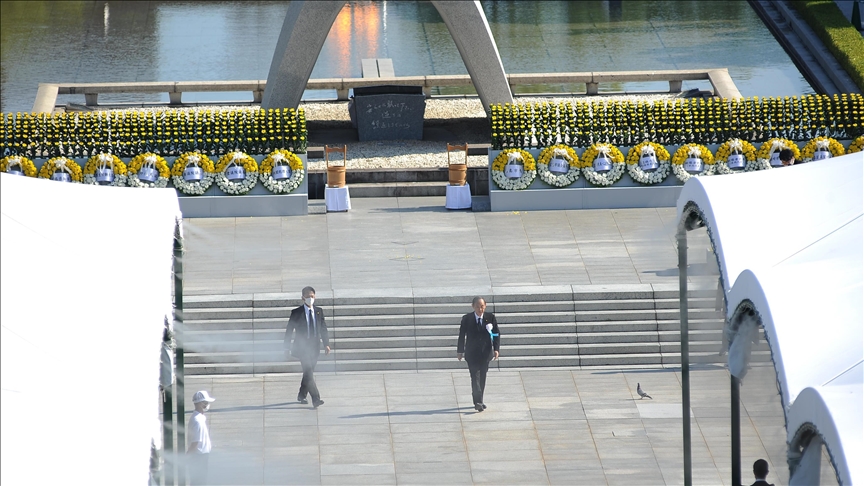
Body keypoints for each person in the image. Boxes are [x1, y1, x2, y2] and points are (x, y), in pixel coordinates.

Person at [284, 286, 330, 408]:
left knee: (308, 373)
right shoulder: (296, 312)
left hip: (314, 347)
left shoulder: (319, 311)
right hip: (302, 347)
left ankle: (301, 395)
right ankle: (316, 398)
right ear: (302, 298)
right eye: (308, 296)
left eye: (312, 296)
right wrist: (286, 347)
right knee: (309, 372)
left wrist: (326, 344)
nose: (310, 299)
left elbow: (323, 328)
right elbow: (289, 330)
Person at [457, 296, 500, 412]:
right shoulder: (467, 319)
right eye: (477, 307)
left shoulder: (490, 318)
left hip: (485, 354)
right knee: (474, 377)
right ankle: (478, 402)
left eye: (482, 306)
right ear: (473, 307)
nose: (480, 309)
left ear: (485, 306)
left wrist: (496, 349)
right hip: (472, 354)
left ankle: (479, 399)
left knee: (482, 377)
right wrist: (460, 351)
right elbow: (462, 336)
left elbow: (496, 334)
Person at [187, 390, 215, 486]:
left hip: (202, 456)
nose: (207, 405)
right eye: (205, 402)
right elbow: (195, 443)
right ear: (199, 404)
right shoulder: (197, 421)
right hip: (199, 457)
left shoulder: (200, 417)